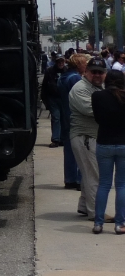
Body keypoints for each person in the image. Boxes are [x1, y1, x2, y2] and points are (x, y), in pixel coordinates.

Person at [70, 57, 107, 219]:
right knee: (94, 176)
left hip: (93, 137)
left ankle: (85, 206)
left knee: (89, 173)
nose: (97, 75)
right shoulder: (80, 88)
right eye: (93, 72)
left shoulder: (100, 87)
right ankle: (96, 212)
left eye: (100, 72)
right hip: (84, 137)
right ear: (86, 72)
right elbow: (92, 110)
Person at [92, 69, 125, 234]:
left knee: (104, 184)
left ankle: (98, 223)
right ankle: (120, 224)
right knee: (122, 185)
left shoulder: (97, 96)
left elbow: (98, 119)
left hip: (104, 142)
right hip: (123, 143)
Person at [59, 54, 85, 190]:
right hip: (75, 117)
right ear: (78, 64)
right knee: (81, 149)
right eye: (84, 63)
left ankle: (70, 179)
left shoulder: (63, 77)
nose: (86, 65)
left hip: (65, 115)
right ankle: (80, 180)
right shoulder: (75, 78)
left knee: (69, 149)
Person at [42, 55, 66, 147]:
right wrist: (45, 100)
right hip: (52, 98)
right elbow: (44, 86)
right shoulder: (49, 71)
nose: (60, 63)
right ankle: (55, 139)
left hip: (64, 98)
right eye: (59, 61)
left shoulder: (67, 71)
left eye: (62, 61)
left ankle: (62, 139)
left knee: (63, 118)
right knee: (56, 117)